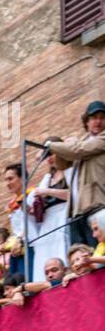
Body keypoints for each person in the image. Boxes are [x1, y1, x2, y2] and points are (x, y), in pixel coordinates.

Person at [45, 102, 105, 246]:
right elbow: (62, 164)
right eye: (93, 118)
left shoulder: (101, 139)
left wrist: (51, 146)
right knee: (81, 259)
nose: (98, 121)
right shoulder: (82, 141)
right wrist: (57, 151)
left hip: (97, 205)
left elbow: (79, 150)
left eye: (102, 117)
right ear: (87, 121)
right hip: (77, 210)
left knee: (99, 256)